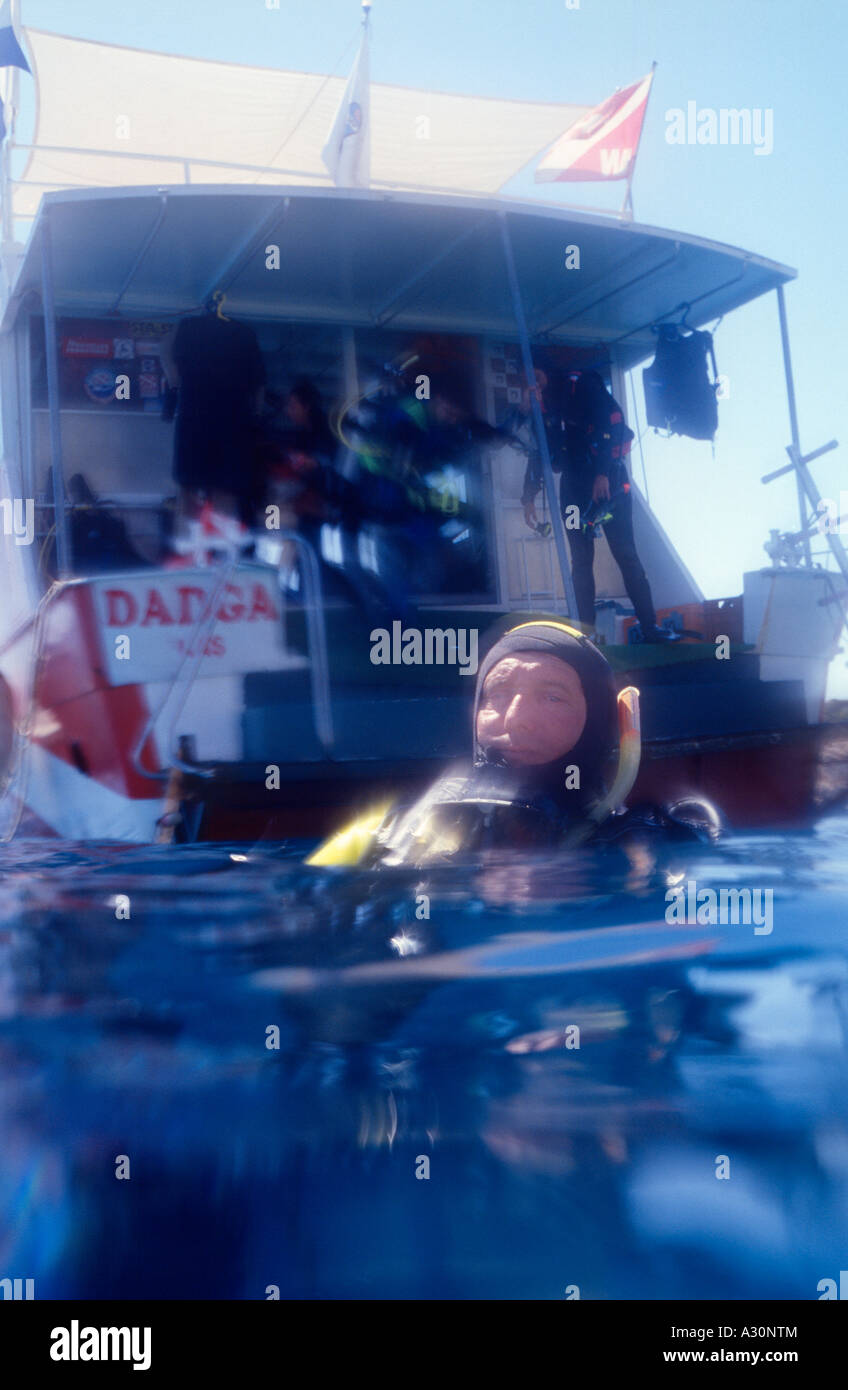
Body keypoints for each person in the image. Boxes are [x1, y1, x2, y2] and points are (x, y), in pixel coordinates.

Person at [307, 618, 720, 868]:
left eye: (552, 697)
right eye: (498, 695)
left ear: (599, 723)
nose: (515, 720)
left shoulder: (651, 843)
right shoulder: (388, 834)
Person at [518, 368, 666, 642]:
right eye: (528, 391)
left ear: (542, 377)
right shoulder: (544, 413)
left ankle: (650, 627)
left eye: (534, 383)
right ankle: (584, 634)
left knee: (626, 554)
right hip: (574, 492)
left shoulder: (585, 388)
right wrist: (528, 497)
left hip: (608, 489)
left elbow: (610, 426)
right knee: (581, 561)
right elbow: (538, 453)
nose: (531, 392)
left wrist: (602, 473)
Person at [161, 292, 266, 528]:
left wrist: (173, 386)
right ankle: (222, 553)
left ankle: (191, 549)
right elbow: (259, 383)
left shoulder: (186, 327)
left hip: (194, 422)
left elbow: (167, 357)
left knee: (188, 490)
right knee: (225, 491)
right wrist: (256, 418)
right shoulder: (245, 334)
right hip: (233, 424)